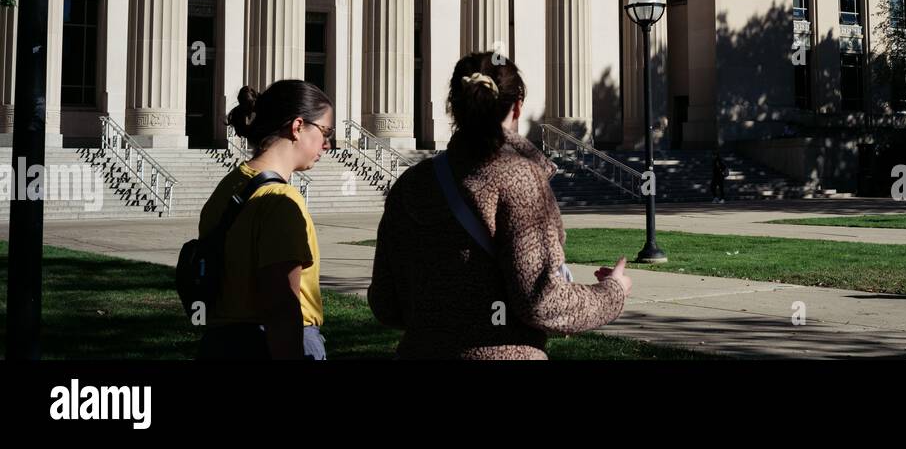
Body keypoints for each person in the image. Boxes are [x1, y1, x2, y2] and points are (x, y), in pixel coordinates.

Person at [367, 51, 631, 359]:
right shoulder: (520, 178)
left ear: (453, 106)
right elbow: (542, 302)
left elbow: (386, 304)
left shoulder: (411, 184)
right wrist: (613, 292)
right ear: (517, 106)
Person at [196, 80, 334, 360]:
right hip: (266, 345)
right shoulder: (281, 201)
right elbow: (282, 309)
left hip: (221, 343)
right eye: (325, 132)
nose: (328, 145)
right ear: (297, 127)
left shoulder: (228, 187)